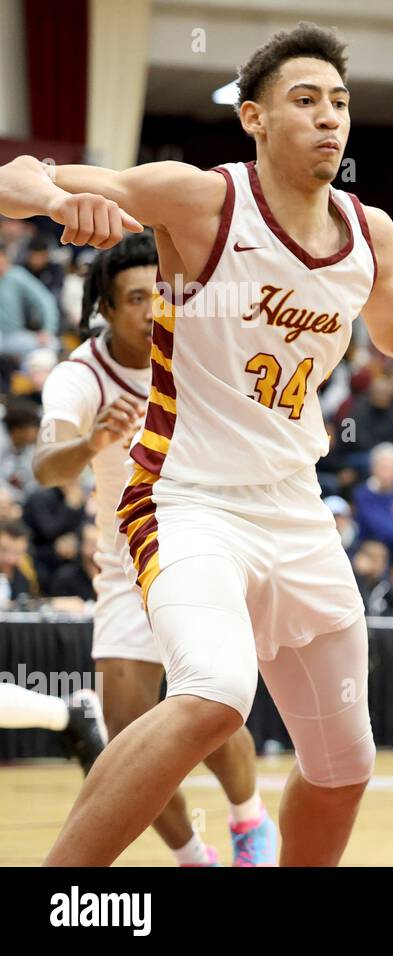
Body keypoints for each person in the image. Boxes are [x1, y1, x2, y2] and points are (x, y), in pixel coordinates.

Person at [0, 20, 393, 866]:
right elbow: (15, 177)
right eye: (304, 101)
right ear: (254, 118)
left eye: (340, 103)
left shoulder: (369, 232)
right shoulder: (199, 199)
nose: (328, 119)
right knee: (214, 695)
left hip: (296, 508)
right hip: (185, 498)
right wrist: (61, 200)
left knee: (345, 766)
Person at [34, 234, 276, 866]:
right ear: (105, 309)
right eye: (135, 298)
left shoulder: (199, 351)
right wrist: (89, 446)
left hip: (200, 546)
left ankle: (251, 825)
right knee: (125, 728)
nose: (150, 308)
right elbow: (45, 466)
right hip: (124, 564)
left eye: (158, 294)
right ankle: (196, 859)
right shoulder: (80, 376)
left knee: (211, 706)